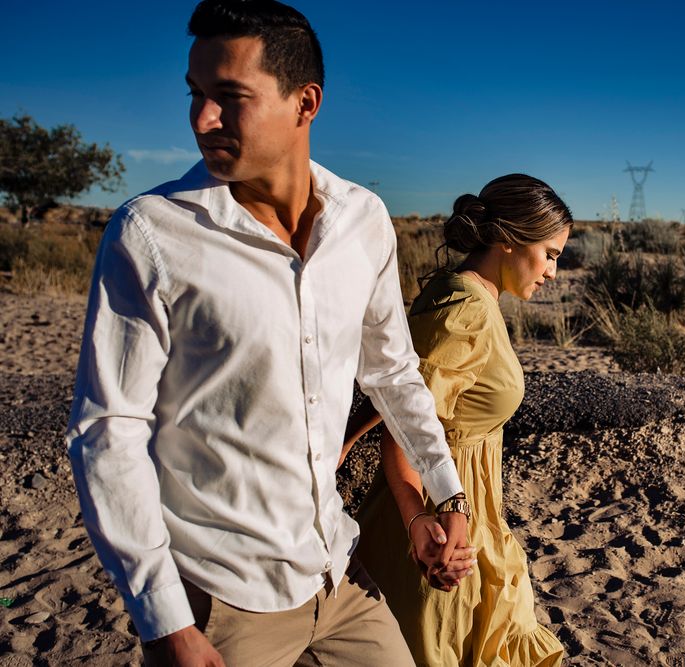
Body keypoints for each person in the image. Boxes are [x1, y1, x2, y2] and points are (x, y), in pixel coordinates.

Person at [65, 1, 473, 664]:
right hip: (223, 603)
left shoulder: (362, 221)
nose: (202, 119)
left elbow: (393, 373)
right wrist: (165, 620)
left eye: (230, 97)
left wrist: (445, 490)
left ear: (305, 103)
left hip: (337, 576)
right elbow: (107, 432)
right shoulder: (150, 235)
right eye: (196, 95)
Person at [341, 174, 572, 666]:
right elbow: (405, 424)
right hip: (443, 517)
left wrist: (344, 438)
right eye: (550, 253)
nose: (554, 271)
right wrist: (421, 517)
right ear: (509, 241)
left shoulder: (471, 298)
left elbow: (400, 387)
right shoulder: (464, 309)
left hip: (471, 506)